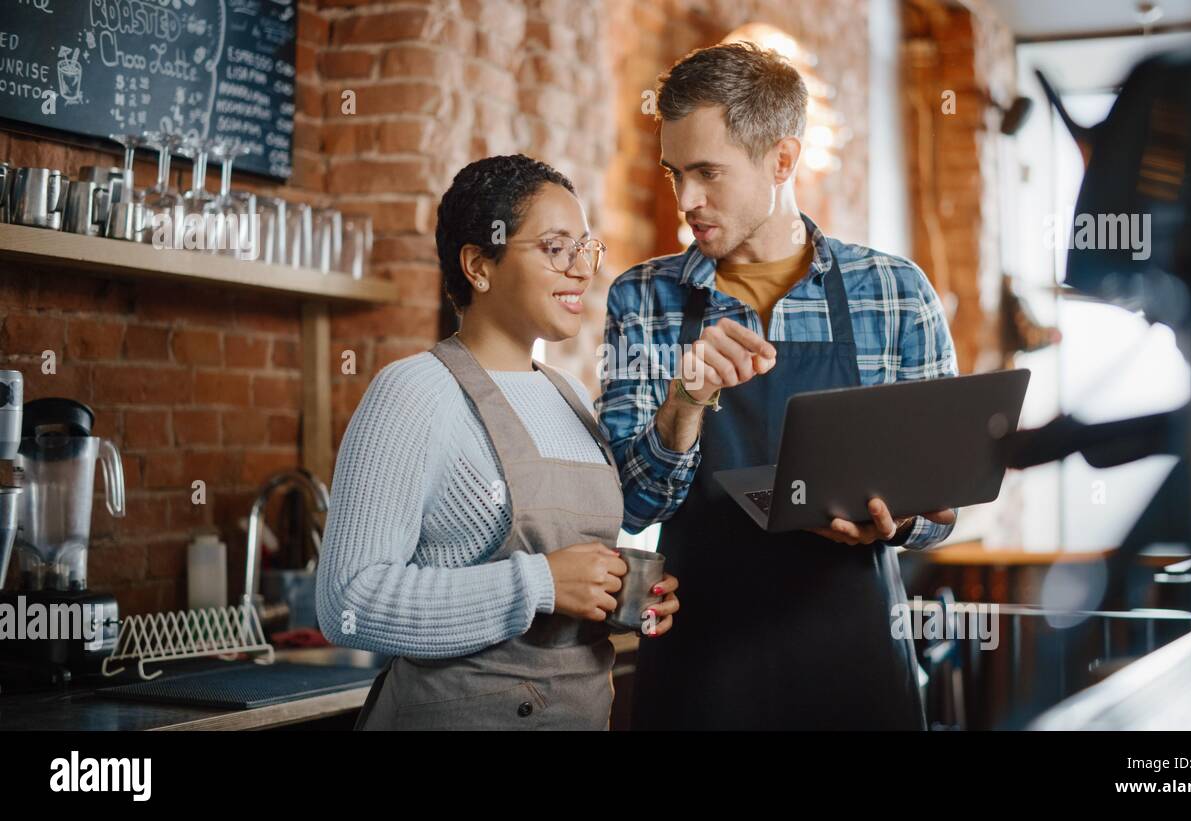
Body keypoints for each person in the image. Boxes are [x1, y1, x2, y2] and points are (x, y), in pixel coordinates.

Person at [597, 43, 958, 730]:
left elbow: (942, 504)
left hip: (857, 664)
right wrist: (685, 401)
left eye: (708, 172)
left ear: (782, 161)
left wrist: (902, 519)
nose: (687, 200)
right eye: (676, 173)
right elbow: (632, 502)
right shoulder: (643, 298)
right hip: (703, 666)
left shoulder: (893, 291)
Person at [317, 154, 679, 730]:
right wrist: (538, 583)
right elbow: (348, 605)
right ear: (479, 264)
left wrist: (621, 600)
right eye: (556, 248)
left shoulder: (572, 401)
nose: (581, 269)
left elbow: (570, 592)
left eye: (585, 248)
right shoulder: (413, 392)